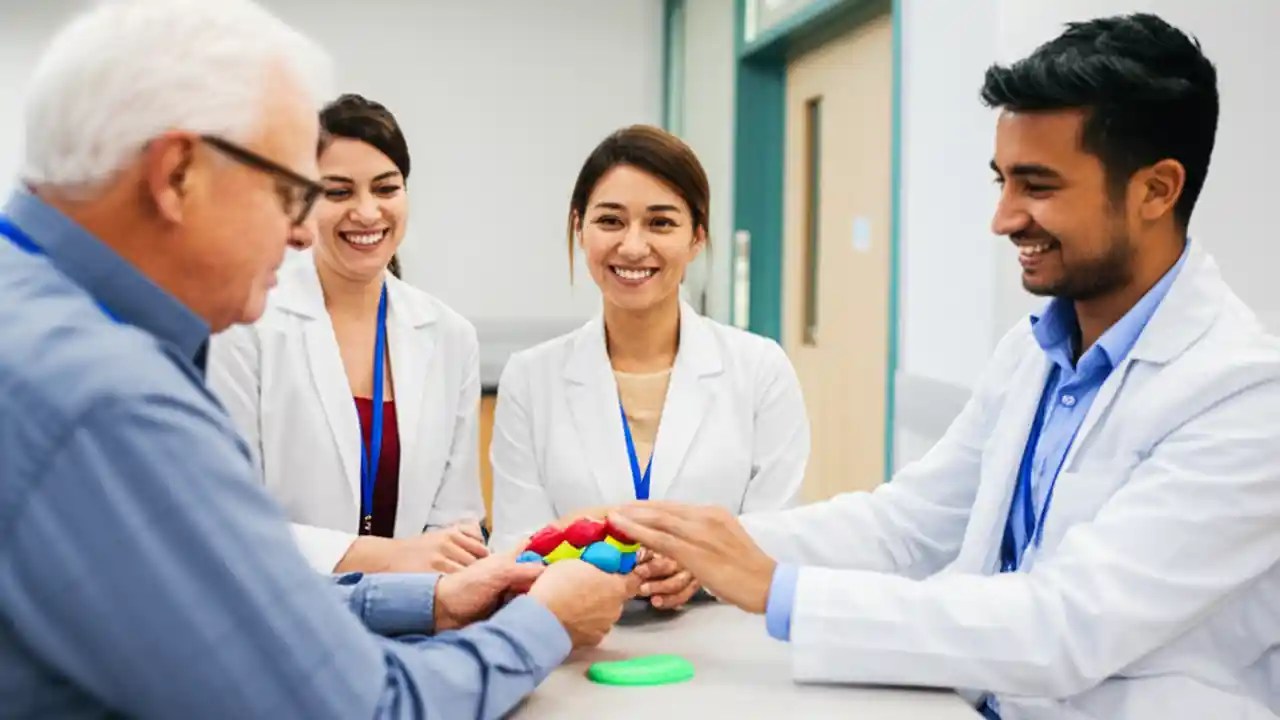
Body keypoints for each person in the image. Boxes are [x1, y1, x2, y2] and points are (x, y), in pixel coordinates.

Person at [608, 13, 1280, 720]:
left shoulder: (1245, 398)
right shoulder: (1033, 353)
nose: (1004, 217)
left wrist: (777, 589)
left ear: (1156, 191)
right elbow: (909, 526)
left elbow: (1065, 624)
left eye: (1038, 186)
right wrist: (704, 545)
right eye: (1003, 181)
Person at [0, 1, 635, 717]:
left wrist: (426, 599)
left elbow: (227, 599)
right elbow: (358, 708)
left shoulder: (33, 318)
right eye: (291, 192)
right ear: (177, 174)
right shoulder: (105, 398)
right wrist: (543, 623)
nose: (304, 233)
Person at [489, 125, 811, 609]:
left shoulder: (760, 370)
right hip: (571, 642)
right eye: (611, 221)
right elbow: (515, 549)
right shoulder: (530, 379)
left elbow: (779, 534)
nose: (634, 246)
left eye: (661, 223)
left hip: (722, 645)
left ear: (697, 236)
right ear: (580, 229)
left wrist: (700, 569)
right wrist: (606, 572)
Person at [209, 93, 487, 575]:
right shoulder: (245, 325)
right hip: (283, 609)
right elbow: (230, 515)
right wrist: (389, 558)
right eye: (338, 192)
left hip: (420, 616)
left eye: (386, 188)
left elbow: (458, 521)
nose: (367, 212)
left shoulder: (449, 336)